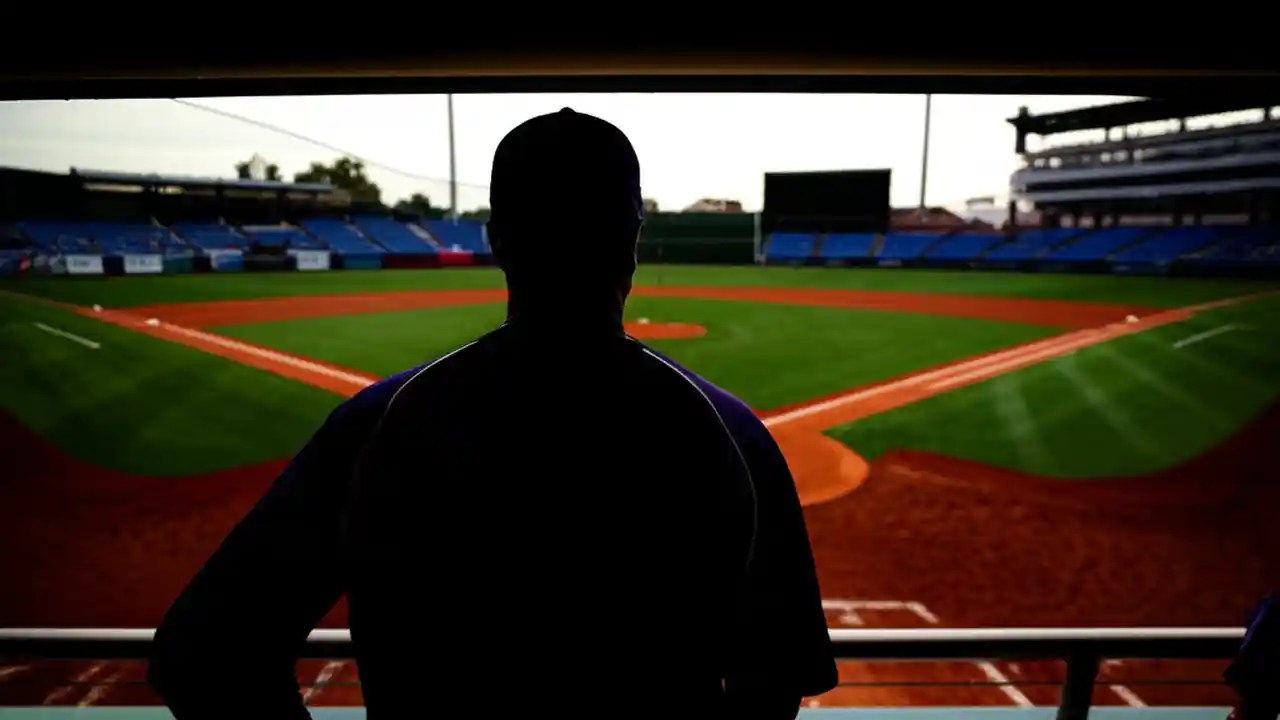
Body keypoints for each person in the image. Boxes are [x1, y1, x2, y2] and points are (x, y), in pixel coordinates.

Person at [148, 108, 837, 719]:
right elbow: (773, 685)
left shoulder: (377, 422)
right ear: (631, 239)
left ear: (497, 238)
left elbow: (204, 654)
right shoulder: (734, 433)